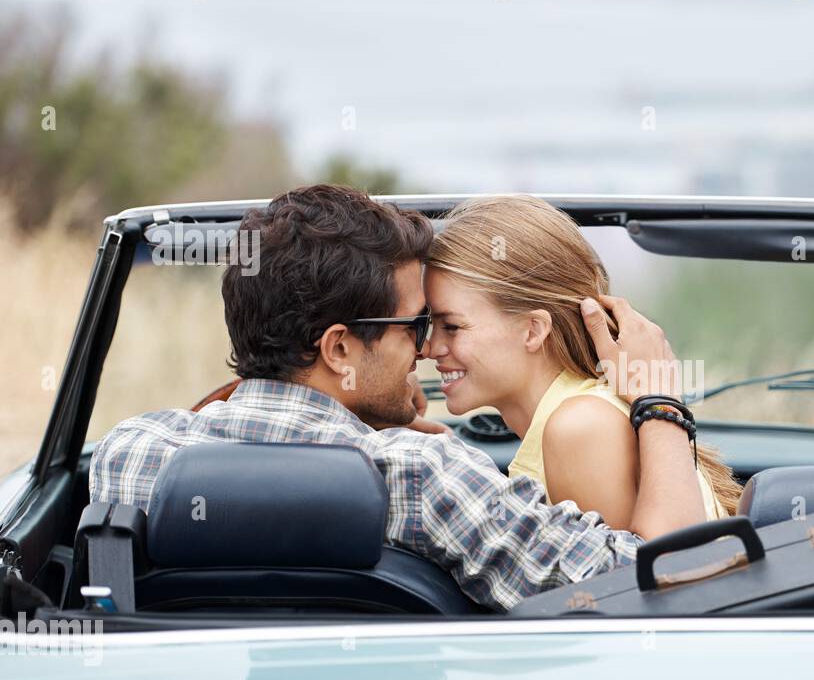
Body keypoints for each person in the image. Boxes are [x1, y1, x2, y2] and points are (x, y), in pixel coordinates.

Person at [89, 184, 707, 611]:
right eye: (414, 326)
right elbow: (661, 581)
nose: (425, 349)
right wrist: (659, 404)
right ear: (338, 350)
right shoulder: (426, 478)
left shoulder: (131, 455)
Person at [425, 194, 741, 528]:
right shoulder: (583, 411)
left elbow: (650, 573)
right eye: (430, 326)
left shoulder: (578, 426)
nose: (430, 349)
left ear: (533, 330)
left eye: (451, 327)